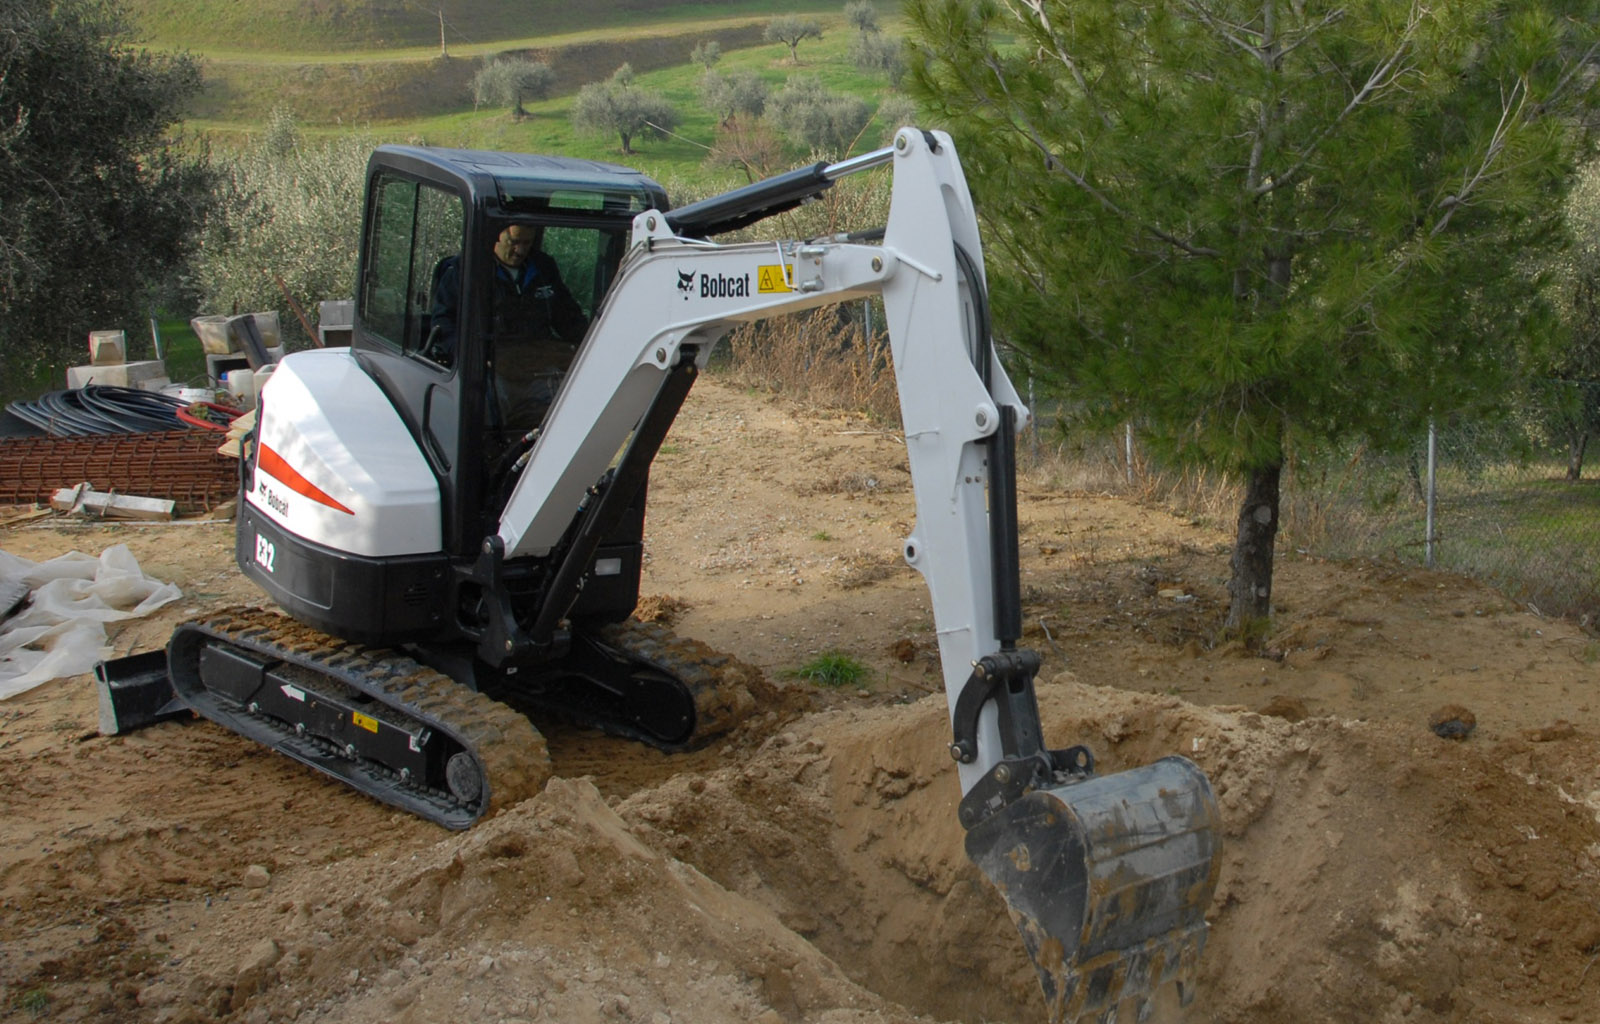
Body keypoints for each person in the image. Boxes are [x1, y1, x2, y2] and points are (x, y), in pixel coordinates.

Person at [429, 224, 590, 429]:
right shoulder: (467, 269)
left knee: (568, 404)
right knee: (486, 403)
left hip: (538, 366)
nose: (521, 250)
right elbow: (443, 324)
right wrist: (474, 357)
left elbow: (568, 316)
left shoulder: (543, 268)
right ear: (495, 238)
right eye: (514, 242)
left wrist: (590, 343)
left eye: (527, 243)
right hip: (492, 369)